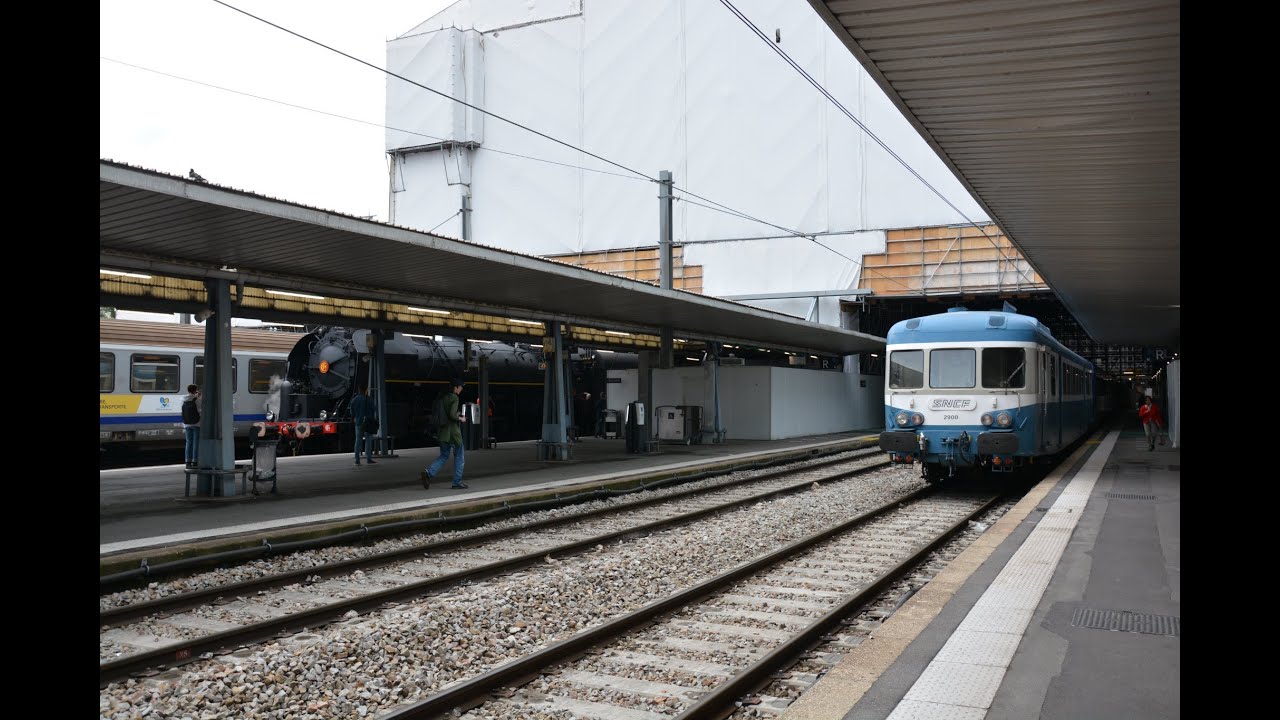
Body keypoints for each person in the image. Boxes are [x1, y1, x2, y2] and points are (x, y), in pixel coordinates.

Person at [425, 379, 467, 488]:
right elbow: (452, 415)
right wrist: (460, 418)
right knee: (459, 457)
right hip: (453, 433)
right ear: (456, 387)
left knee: (444, 455)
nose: (461, 389)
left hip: (443, 433)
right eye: (461, 387)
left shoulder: (442, 397)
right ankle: (457, 482)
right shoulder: (454, 397)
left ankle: (428, 473)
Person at [351, 385, 376, 465]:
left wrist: (356, 417)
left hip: (358, 422)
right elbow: (374, 409)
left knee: (358, 441)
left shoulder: (354, 400)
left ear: (359, 390)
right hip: (368, 422)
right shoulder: (369, 399)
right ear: (366, 390)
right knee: (368, 441)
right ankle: (369, 459)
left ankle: (357, 460)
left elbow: (352, 412)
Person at [182, 384, 201, 469]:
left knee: (188, 442)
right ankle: (195, 461)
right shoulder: (197, 399)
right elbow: (200, 410)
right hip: (196, 423)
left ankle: (187, 461)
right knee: (196, 442)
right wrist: (199, 396)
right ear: (195, 390)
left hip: (186, 423)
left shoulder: (183, 399)